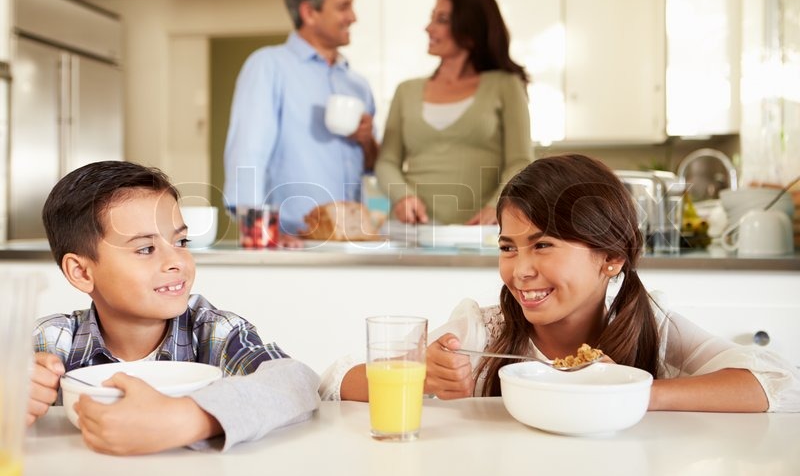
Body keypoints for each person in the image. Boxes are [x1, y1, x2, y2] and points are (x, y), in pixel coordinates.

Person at [326, 154, 800, 412]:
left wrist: (633, 393)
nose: (520, 270)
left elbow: (777, 382)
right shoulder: (482, 333)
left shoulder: (650, 327)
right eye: (508, 247)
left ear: (611, 258)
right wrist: (422, 375)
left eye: (543, 245)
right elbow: (334, 381)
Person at [28, 161, 321, 455]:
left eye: (181, 241)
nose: (177, 261)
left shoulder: (215, 332)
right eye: (145, 249)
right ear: (81, 272)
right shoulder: (50, 340)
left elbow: (296, 383)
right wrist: (12, 398)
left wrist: (190, 419)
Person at [223, 0, 378, 236]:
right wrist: (260, 232)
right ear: (309, 12)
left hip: (350, 239)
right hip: (291, 239)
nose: (353, 17)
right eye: (343, 7)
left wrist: (367, 141)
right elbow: (247, 156)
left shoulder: (358, 85)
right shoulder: (269, 66)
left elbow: (372, 167)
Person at [375, 0, 532, 226]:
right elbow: (387, 161)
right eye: (432, 18)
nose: (428, 28)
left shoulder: (506, 86)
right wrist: (402, 196)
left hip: (477, 232)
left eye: (442, 20)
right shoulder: (406, 90)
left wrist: (498, 206)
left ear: (470, 30)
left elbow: (520, 161)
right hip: (411, 230)